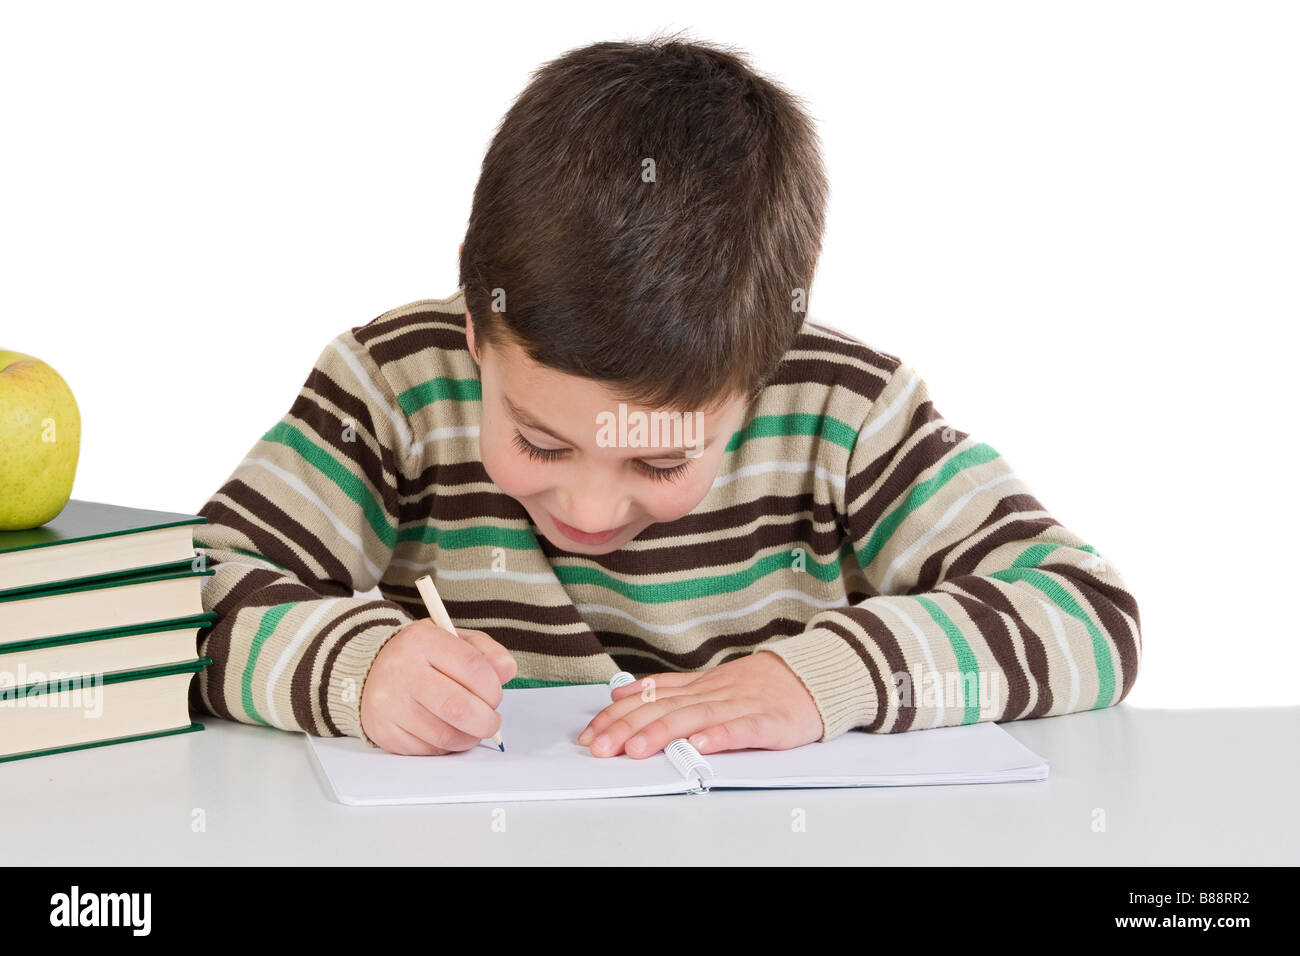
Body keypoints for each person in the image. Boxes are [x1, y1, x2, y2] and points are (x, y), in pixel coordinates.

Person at [191, 34, 1140, 759]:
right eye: (540, 440)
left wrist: (822, 679)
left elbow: (1086, 611)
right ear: (480, 332)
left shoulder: (842, 412)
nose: (590, 507)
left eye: (659, 457)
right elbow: (175, 605)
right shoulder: (396, 386)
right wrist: (355, 670)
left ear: (762, 374)